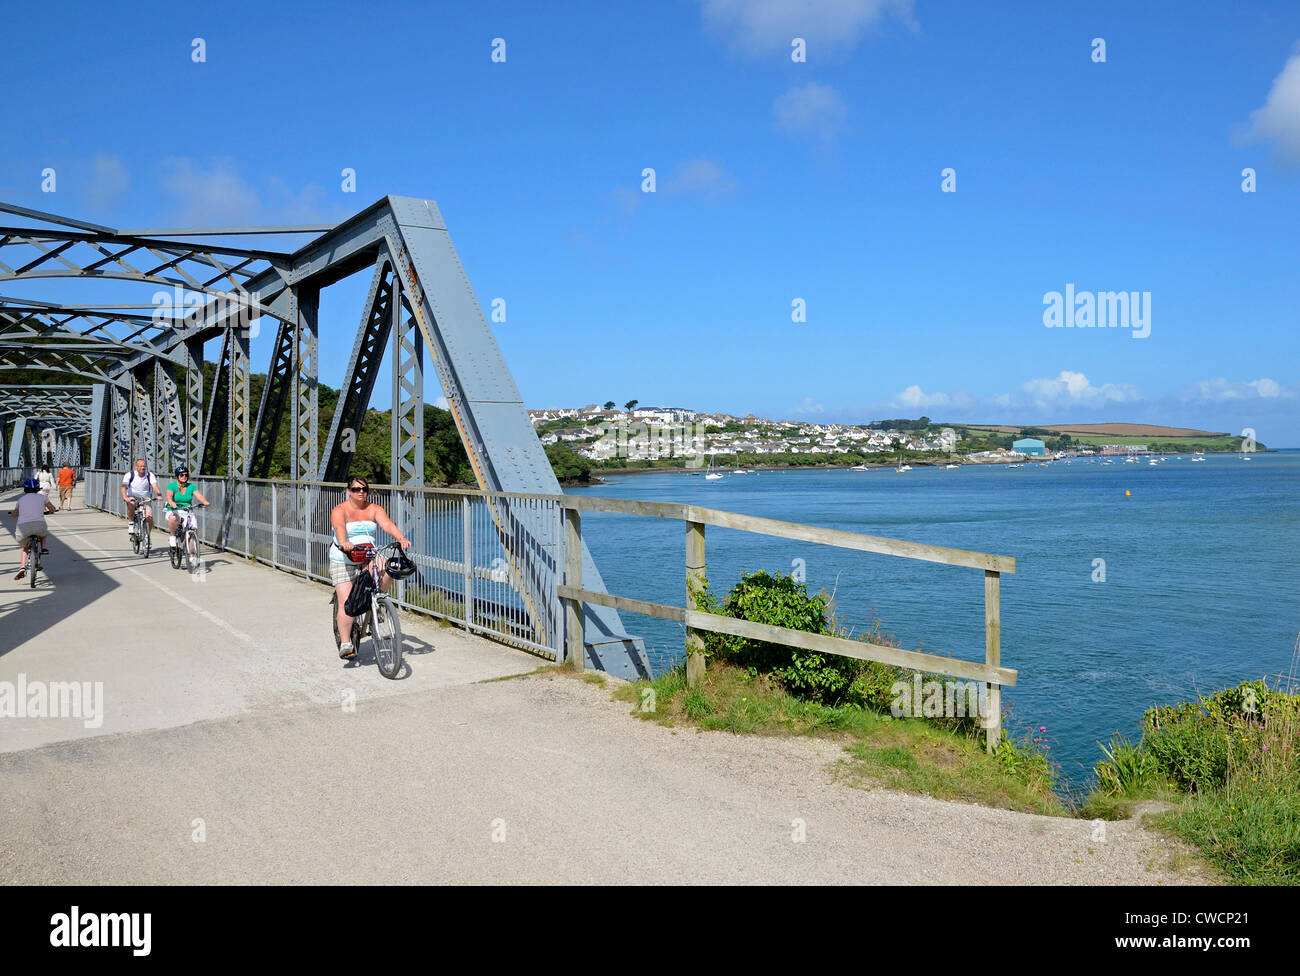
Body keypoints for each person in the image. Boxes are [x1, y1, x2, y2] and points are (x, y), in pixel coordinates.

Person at [329, 476, 411, 659]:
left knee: (387, 566)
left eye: (364, 489)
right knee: (347, 603)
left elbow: (387, 524)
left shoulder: (374, 509)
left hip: (367, 555)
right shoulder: (339, 510)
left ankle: (377, 603)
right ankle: (345, 642)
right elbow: (339, 527)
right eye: (356, 489)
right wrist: (344, 542)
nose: (361, 492)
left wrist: (400, 538)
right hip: (343, 558)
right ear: (348, 491)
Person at [10, 478, 57, 580]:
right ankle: (43, 548)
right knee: (43, 534)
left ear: (25, 489)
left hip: (23, 528)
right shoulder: (43, 497)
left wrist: (13, 514)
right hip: (39, 525)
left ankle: (22, 567)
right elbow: (52, 509)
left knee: (24, 547)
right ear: (37, 488)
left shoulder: (21, 500)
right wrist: (51, 511)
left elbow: (14, 514)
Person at [163, 467, 209, 546]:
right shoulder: (171, 486)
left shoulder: (191, 487)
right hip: (174, 510)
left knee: (193, 531)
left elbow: (198, 495)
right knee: (173, 518)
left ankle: (192, 556)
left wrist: (205, 502)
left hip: (187, 510)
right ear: (177, 476)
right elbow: (169, 496)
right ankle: (172, 536)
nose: (184, 476)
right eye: (181, 475)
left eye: (186, 475)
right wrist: (171, 502)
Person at [120, 459, 161, 537]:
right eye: (140, 466)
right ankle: (131, 523)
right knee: (131, 503)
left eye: (144, 466)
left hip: (145, 497)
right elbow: (123, 487)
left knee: (149, 517)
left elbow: (155, 486)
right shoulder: (129, 475)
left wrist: (159, 494)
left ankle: (147, 536)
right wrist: (125, 497)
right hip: (133, 496)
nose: (142, 468)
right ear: (136, 467)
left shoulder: (149, 475)